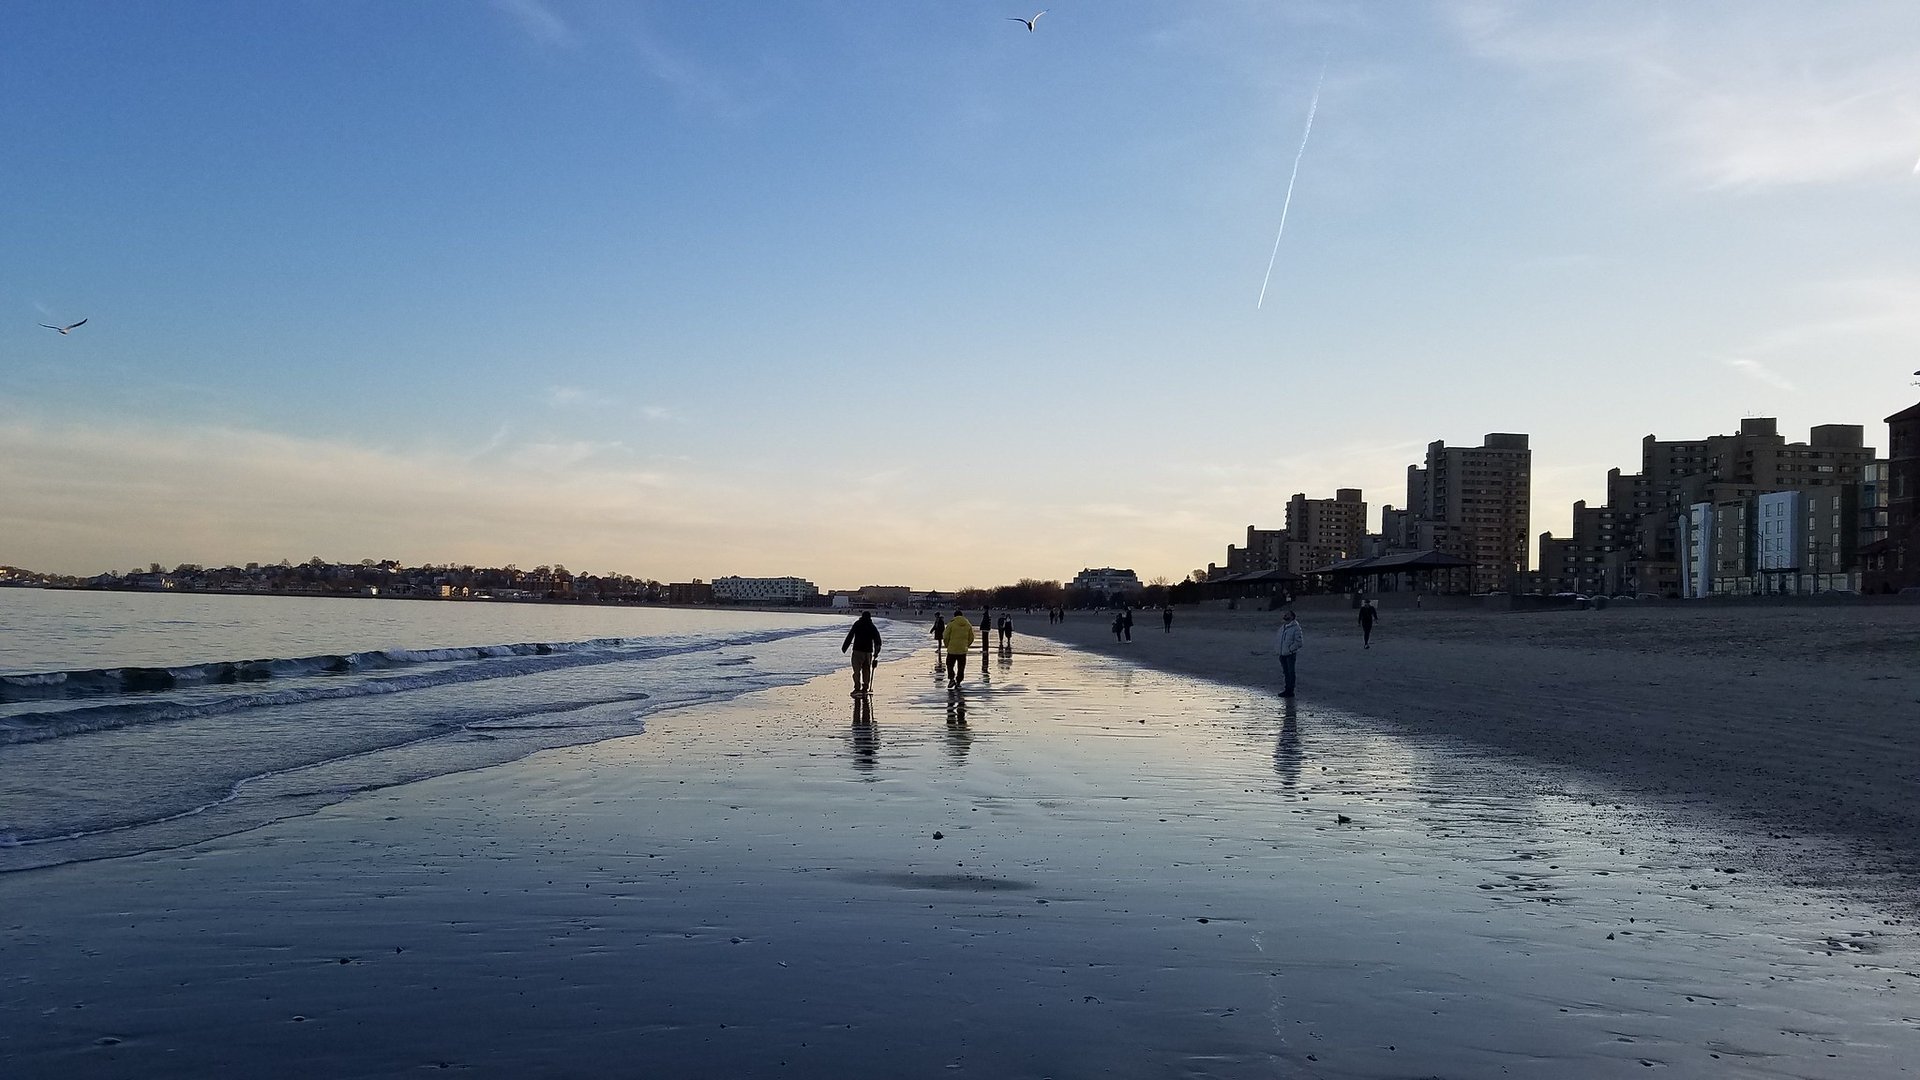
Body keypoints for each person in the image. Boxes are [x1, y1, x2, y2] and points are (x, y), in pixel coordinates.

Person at [841, 611, 882, 697]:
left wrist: (844, 647)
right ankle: (865, 687)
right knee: (866, 670)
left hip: (857, 651)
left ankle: (857, 688)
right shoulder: (871, 626)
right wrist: (876, 652)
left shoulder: (857, 624)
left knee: (856, 670)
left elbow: (850, 635)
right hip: (868, 652)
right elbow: (877, 640)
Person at [1275, 609, 1303, 697]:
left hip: (1290, 654)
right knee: (1286, 672)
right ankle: (1287, 689)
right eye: (1285, 614)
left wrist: (1290, 650)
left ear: (1292, 617)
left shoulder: (1296, 628)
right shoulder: (1283, 627)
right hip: (1282, 654)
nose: (1285, 616)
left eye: (1287, 614)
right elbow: (1279, 640)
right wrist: (1278, 650)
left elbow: (1299, 642)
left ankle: (1290, 691)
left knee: (1291, 672)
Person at [943, 609, 975, 684]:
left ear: (954, 616)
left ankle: (951, 678)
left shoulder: (951, 624)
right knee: (961, 667)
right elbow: (971, 637)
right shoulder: (968, 624)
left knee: (949, 665)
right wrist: (966, 645)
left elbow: (945, 636)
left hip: (952, 649)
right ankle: (959, 681)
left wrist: (947, 645)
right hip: (962, 650)